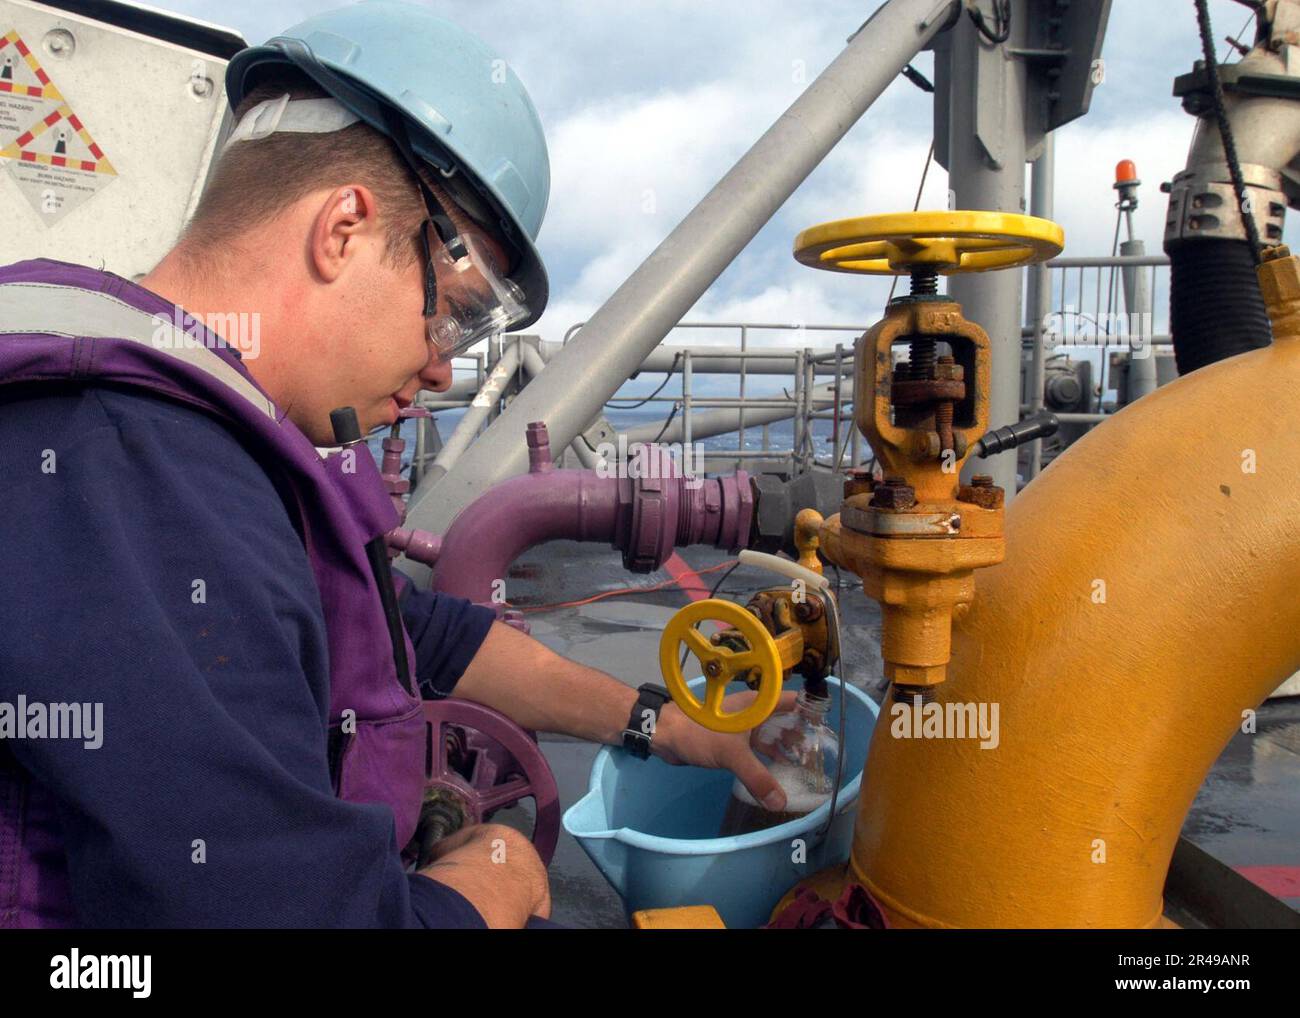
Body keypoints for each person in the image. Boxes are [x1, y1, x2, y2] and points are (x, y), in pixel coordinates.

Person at [0, 2, 793, 929]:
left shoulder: (212, 437)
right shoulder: (140, 475)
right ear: (342, 228)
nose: (445, 368)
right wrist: (494, 880)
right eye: (457, 312)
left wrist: (663, 723)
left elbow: (410, 631)